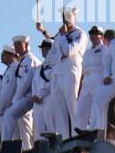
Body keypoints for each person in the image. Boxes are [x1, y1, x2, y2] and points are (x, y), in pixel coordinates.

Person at [37, 7, 88, 139]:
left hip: (70, 72)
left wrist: (64, 35)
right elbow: (53, 54)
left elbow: (68, 51)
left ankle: (78, 137)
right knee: (58, 110)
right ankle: (64, 139)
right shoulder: (60, 35)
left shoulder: (80, 34)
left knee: (72, 106)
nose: (65, 21)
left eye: (67, 19)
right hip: (56, 73)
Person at [0, 35, 38, 151]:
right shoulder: (23, 61)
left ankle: (7, 147)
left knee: (13, 118)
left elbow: (25, 82)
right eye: (15, 44)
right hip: (23, 96)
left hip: (29, 96)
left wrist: (15, 100)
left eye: (19, 44)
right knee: (19, 128)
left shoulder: (29, 59)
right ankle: (17, 151)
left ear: (26, 45)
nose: (17, 47)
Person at [76, 26, 107, 135]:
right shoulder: (87, 52)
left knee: (96, 111)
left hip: (98, 80)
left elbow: (106, 66)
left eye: (96, 34)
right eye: (91, 33)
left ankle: (96, 133)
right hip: (86, 82)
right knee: (80, 109)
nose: (93, 36)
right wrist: (80, 88)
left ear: (101, 36)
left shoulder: (104, 49)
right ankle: (78, 132)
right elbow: (83, 71)